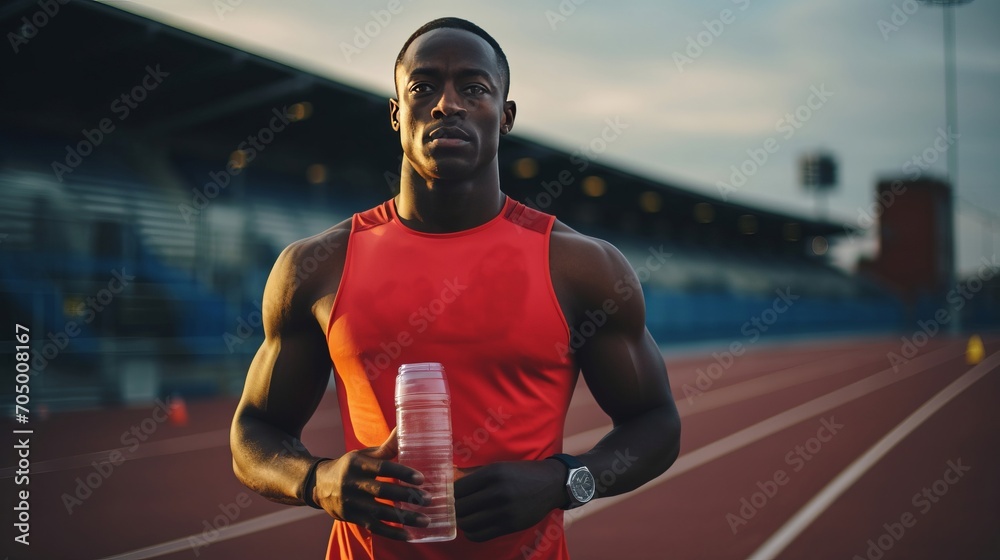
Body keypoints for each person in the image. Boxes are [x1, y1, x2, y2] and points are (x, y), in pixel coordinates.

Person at [230, 17, 681, 559]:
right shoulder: (317, 267)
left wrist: (564, 481)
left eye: (474, 87)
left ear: (505, 116)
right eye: (423, 87)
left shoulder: (581, 266)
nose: (448, 104)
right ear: (396, 114)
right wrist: (318, 480)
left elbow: (656, 423)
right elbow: (254, 430)